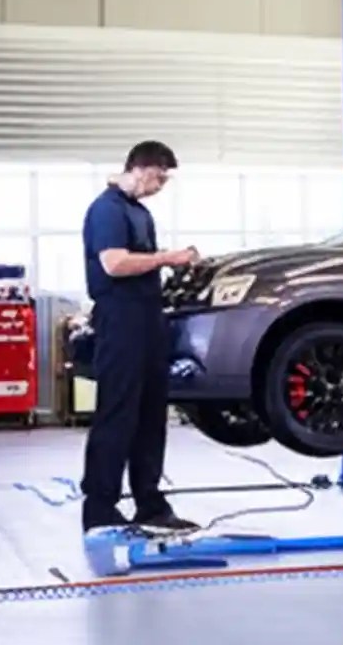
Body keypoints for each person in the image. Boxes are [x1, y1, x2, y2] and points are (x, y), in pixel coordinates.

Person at [79, 140, 200, 535]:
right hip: (120, 319)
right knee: (118, 411)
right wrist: (168, 257)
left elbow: (143, 263)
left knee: (151, 413)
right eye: (159, 176)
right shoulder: (107, 210)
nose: (161, 184)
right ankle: (99, 507)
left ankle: (149, 503)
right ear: (141, 167)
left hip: (149, 318)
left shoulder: (140, 213)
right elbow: (114, 263)